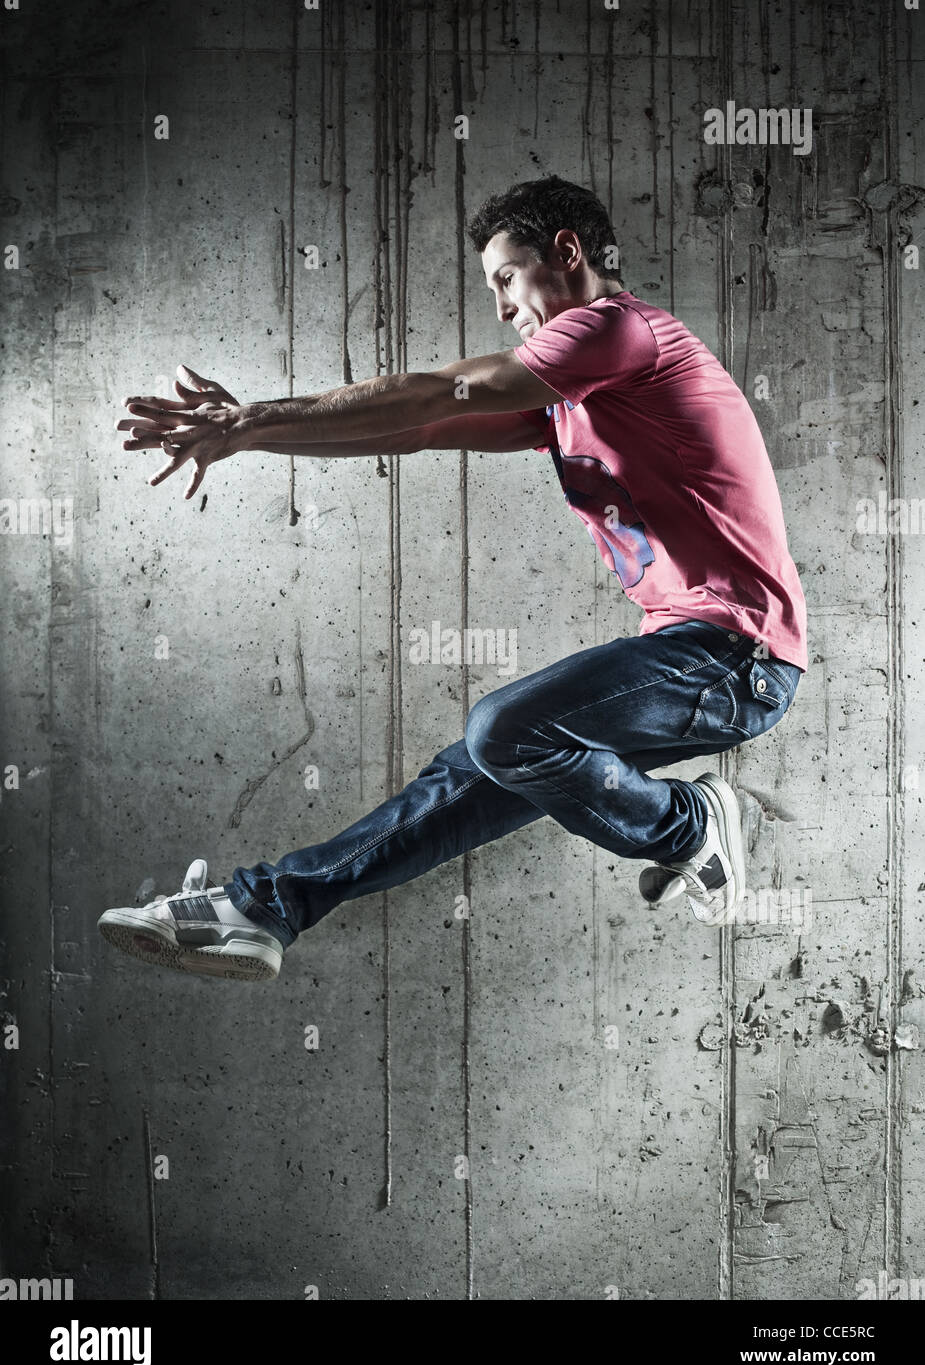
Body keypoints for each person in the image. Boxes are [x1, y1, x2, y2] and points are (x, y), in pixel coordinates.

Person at [99, 175, 807, 983]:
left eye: (507, 278)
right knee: (456, 788)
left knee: (503, 731)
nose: (503, 307)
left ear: (566, 254)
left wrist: (252, 416)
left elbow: (436, 389)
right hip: (686, 660)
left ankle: (685, 827)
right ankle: (266, 909)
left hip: (734, 657)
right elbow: (423, 425)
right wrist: (249, 439)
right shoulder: (566, 400)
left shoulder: (618, 332)